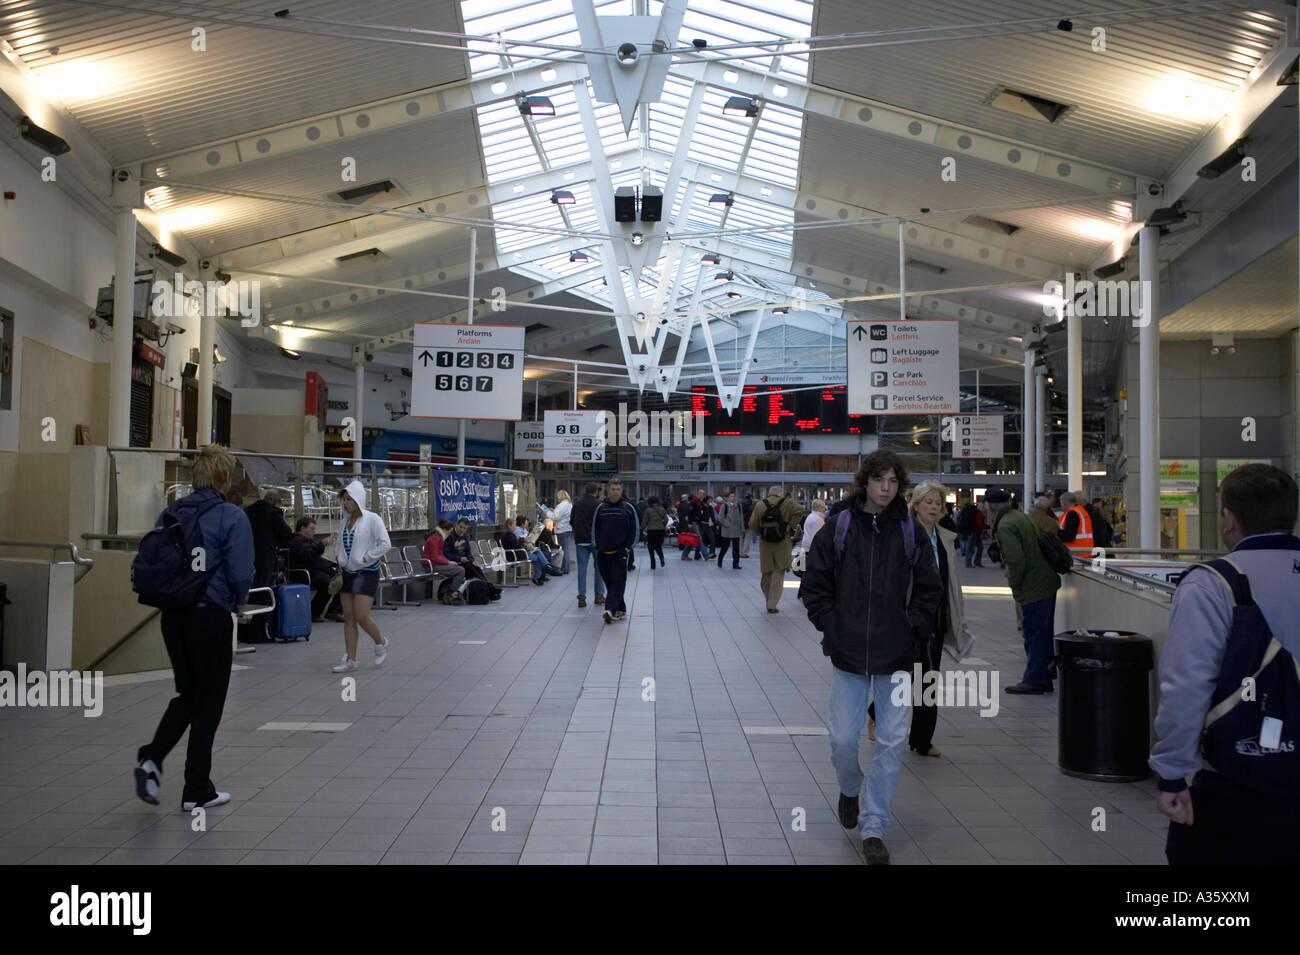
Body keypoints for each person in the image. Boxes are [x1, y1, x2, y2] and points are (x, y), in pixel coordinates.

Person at [1149, 464, 1299, 865]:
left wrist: (1173, 773)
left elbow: (1185, 685)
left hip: (1233, 777)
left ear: (1229, 518)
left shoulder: (1212, 583)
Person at [800, 450, 943, 865]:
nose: (886, 488)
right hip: (848, 654)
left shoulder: (910, 532)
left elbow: (930, 589)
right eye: (879, 480)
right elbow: (815, 581)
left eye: (893, 482)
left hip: (896, 655)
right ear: (866, 482)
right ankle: (849, 787)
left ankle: (874, 824)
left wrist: (912, 627)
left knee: (892, 742)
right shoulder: (839, 528)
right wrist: (831, 623)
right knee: (843, 739)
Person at [135, 444, 254, 812]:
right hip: (210, 616)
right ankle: (196, 789)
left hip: (174, 616)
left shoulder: (171, 513)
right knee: (210, 701)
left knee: (188, 694)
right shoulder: (230, 516)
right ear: (223, 478)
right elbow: (240, 574)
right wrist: (239, 602)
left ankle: (152, 758)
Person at [901, 481, 973, 757]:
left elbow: (952, 581)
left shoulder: (945, 538)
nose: (933, 507)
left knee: (928, 678)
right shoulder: (904, 534)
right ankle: (878, 713)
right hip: (910, 616)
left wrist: (958, 616)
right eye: (927, 502)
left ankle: (922, 739)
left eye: (937, 503)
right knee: (909, 674)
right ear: (916, 505)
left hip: (937, 616)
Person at [990, 487, 1060, 693]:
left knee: (1034, 634)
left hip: (1034, 585)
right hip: (1046, 580)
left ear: (990, 507)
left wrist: (1015, 587)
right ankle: (1045, 674)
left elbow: (1015, 561)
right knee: (1044, 633)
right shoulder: (1019, 516)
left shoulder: (1006, 525)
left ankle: (1035, 679)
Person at [332, 481, 391, 673]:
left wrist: (367, 557)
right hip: (347, 572)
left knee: (361, 616)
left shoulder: (372, 519)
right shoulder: (344, 521)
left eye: (349, 499)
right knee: (348, 617)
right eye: (344, 499)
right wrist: (340, 558)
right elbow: (341, 544)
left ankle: (380, 642)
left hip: (366, 572)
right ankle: (351, 659)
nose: (345, 503)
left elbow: (385, 544)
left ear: (359, 500)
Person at [239, 489, 294, 643]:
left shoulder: (247, 511)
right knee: (262, 592)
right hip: (264, 559)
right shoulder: (273, 514)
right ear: (276, 503)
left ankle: (242, 631)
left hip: (245, 556)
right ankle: (258, 633)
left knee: (247, 592)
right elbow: (286, 534)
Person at [749, 485, 805, 613]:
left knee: (766, 573)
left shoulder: (760, 505)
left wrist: (761, 532)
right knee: (778, 573)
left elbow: (752, 524)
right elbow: (801, 509)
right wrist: (790, 525)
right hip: (782, 543)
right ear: (780, 493)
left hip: (765, 543)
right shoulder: (788, 503)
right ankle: (772, 604)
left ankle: (768, 599)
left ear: (769, 493)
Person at [592, 478, 638, 624]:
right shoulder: (601, 508)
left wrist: (628, 547)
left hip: (620, 552)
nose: (616, 492)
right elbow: (595, 529)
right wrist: (597, 545)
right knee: (610, 582)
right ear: (608, 490)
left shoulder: (628, 508)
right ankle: (621, 610)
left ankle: (609, 610)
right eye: (613, 489)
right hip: (603, 552)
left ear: (622, 491)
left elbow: (635, 530)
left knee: (617, 581)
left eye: (618, 489)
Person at [288, 517, 342, 622]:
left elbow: (316, 558)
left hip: (313, 570)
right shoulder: (296, 542)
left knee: (339, 578)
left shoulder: (308, 541)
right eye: (311, 528)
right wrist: (322, 544)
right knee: (329, 583)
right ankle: (321, 612)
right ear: (302, 528)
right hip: (304, 572)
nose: (314, 531)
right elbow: (309, 556)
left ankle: (330, 610)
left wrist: (333, 565)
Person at [572, 483, 605, 609]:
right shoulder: (599, 504)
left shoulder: (577, 504)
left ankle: (581, 597)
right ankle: (599, 595)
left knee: (582, 569)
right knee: (599, 568)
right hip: (596, 541)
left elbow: (572, 521)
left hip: (580, 541)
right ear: (596, 492)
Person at [422, 518, 467, 597]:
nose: (449, 535)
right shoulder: (435, 538)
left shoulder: (438, 538)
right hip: (430, 566)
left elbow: (440, 556)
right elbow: (435, 557)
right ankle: (451, 592)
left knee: (458, 568)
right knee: (460, 571)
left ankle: (447, 591)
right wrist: (448, 562)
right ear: (444, 530)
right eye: (449, 532)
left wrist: (449, 562)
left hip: (434, 564)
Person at [716, 491, 745, 569]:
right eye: (731, 496)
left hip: (736, 530)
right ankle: (720, 560)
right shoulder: (724, 506)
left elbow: (741, 517)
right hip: (727, 530)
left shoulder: (739, 506)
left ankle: (736, 564)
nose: (733, 498)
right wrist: (727, 524)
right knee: (724, 547)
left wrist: (742, 528)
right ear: (728, 498)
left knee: (736, 549)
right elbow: (720, 518)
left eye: (734, 496)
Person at [642, 496, 669, 569]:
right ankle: (661, 557)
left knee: (650, 547)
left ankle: (653, 565)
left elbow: (644, 521)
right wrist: (663, 525)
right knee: (658, 546)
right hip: (660, 531)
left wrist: (641, 529)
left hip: (651, 531)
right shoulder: (662, 509)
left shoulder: (648, 510)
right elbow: (666, 519)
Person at [553, 489, 574, 574]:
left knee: (563, 549)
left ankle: (565, 568)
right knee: (567, 548)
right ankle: (566, 567)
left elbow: (555, 517)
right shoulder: (569, 504)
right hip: (568, 528)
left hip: (561, 529)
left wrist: (547, 512)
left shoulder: (562, 505)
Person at [740, 492, 755, 558]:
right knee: (747, 538)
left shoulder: (740, 503)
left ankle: (740, 552)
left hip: (740, 523)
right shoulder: (752, 505)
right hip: (748, 523)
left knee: (740, 539)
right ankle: (745, 553)